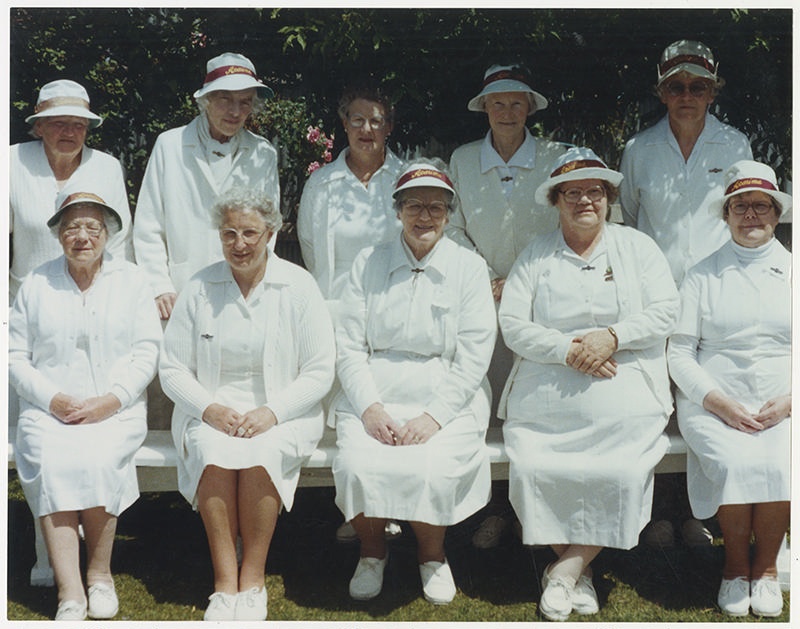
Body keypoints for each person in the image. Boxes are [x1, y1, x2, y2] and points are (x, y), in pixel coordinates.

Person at [498, 148, 679, 621]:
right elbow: (513, 323)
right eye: (573, 193)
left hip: (626, 384)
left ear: (609, 199)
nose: (584, 201)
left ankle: (564, 571)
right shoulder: (536, 253)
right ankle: (580, 572)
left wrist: (613, 337)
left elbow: (665, 310)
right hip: (546, 388)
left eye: (595, 191)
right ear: (556, 200)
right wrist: (568, 350)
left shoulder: (638, 248)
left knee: (621, 470)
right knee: (533, 465)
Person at [159, 187, 335, 621]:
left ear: (271, 233)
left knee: (262, 453)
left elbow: (319, 369)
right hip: (212, 410)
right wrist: (209, 410)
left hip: (281, 411)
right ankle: (224, 584)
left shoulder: (298, 285)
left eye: (250, 233)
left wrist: (271, 413)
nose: (239, 244)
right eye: (229, 234)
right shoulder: (200, 286)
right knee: (212, 452)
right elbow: (173, 368)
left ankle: (253, 579)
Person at [332, 161, 496, 605]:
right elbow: (347, 344)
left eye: (436, 208)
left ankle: (432, 555)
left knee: (433, 464)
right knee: (357, 462)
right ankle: (371, 552)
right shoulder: (368, 262)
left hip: (447, 394)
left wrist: (433, 417)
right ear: (397, 210)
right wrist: (370, 408)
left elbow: (476, 353)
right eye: (414, 206)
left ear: (448, 214)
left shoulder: (469, 267)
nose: (425, 216)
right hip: (375, 389)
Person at [619, 39, 753, 549]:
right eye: (676, 87)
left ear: (713, 92)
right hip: (655, 299)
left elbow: (743, 214)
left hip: (719, 295)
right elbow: (629, 223)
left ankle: (703, 515)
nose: (687, 95)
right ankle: (659, 514)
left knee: (708, 398)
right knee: (659, 403)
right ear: (661, 92)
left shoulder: (735, 145)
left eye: (698, 86)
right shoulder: (638, 150)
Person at [9, 188, 161, 621]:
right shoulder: (36, 283)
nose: (82, 236)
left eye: (92, 227)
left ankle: (99, 575)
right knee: (52, 459)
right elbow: (15, 356)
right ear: (58, 235)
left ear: (107, 235)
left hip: (114, 407)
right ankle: (70, 591)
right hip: (48, 408)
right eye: (72, 227)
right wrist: (51, 398)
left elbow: (147, 350)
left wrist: (110, 401)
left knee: (98, 457)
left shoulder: (131, 281)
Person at [447, 63, 569, 548]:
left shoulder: (557, 157)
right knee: (494, 409)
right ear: (485, 109)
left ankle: (541, 508)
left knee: (541, 408)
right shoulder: (460, 160)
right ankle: (496, 510)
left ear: (530, 107)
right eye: (497, 102)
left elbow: (576, 220)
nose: (507, 111)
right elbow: (451, 228)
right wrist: (487, 276)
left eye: (517, 102)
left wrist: (528, 279)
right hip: (485, 297)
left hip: (547, 300)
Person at [668, 160, 791, 618]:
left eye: (762, 206)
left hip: (784, 402)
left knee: (782, 459)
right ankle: (735, 568)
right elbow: (679, 352)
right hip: (713, 401)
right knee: (736, 460)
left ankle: (767, 571)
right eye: (740, 206)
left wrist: (791, 401)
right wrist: (717, 402)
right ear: (726, 215)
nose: (751, 215)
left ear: (777, 214)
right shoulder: (701, 274)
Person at [297, 84, 405, 543]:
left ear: (389, 128)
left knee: (390, 404)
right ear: (343, 124)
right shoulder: (321, 184)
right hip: (337, 312)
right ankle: (358, 510)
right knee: (348, 414)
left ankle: (396, 505)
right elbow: (310, 252)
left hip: (395, 311)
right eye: (357, 120)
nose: (367, 129)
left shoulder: (406, 179)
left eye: (377, 121)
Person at [134, 52, 279, 321]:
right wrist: (159, 285)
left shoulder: (263, 153)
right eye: (225, 100)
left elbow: (268, 228)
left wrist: (256, 282)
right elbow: (148, 224)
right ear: (206, 100)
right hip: (179, 291)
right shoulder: (170, 145)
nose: (235, 112)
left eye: (245, 102)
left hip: (244, 289)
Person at [10, 78, 133, 302]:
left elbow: (120, 242)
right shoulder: (12, 161)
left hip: (94, 300)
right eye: (59, 123)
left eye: (79, 125)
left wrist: (118, 300)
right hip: (26, 301)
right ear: (39, 127)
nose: (69, 132)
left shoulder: (107, 167)